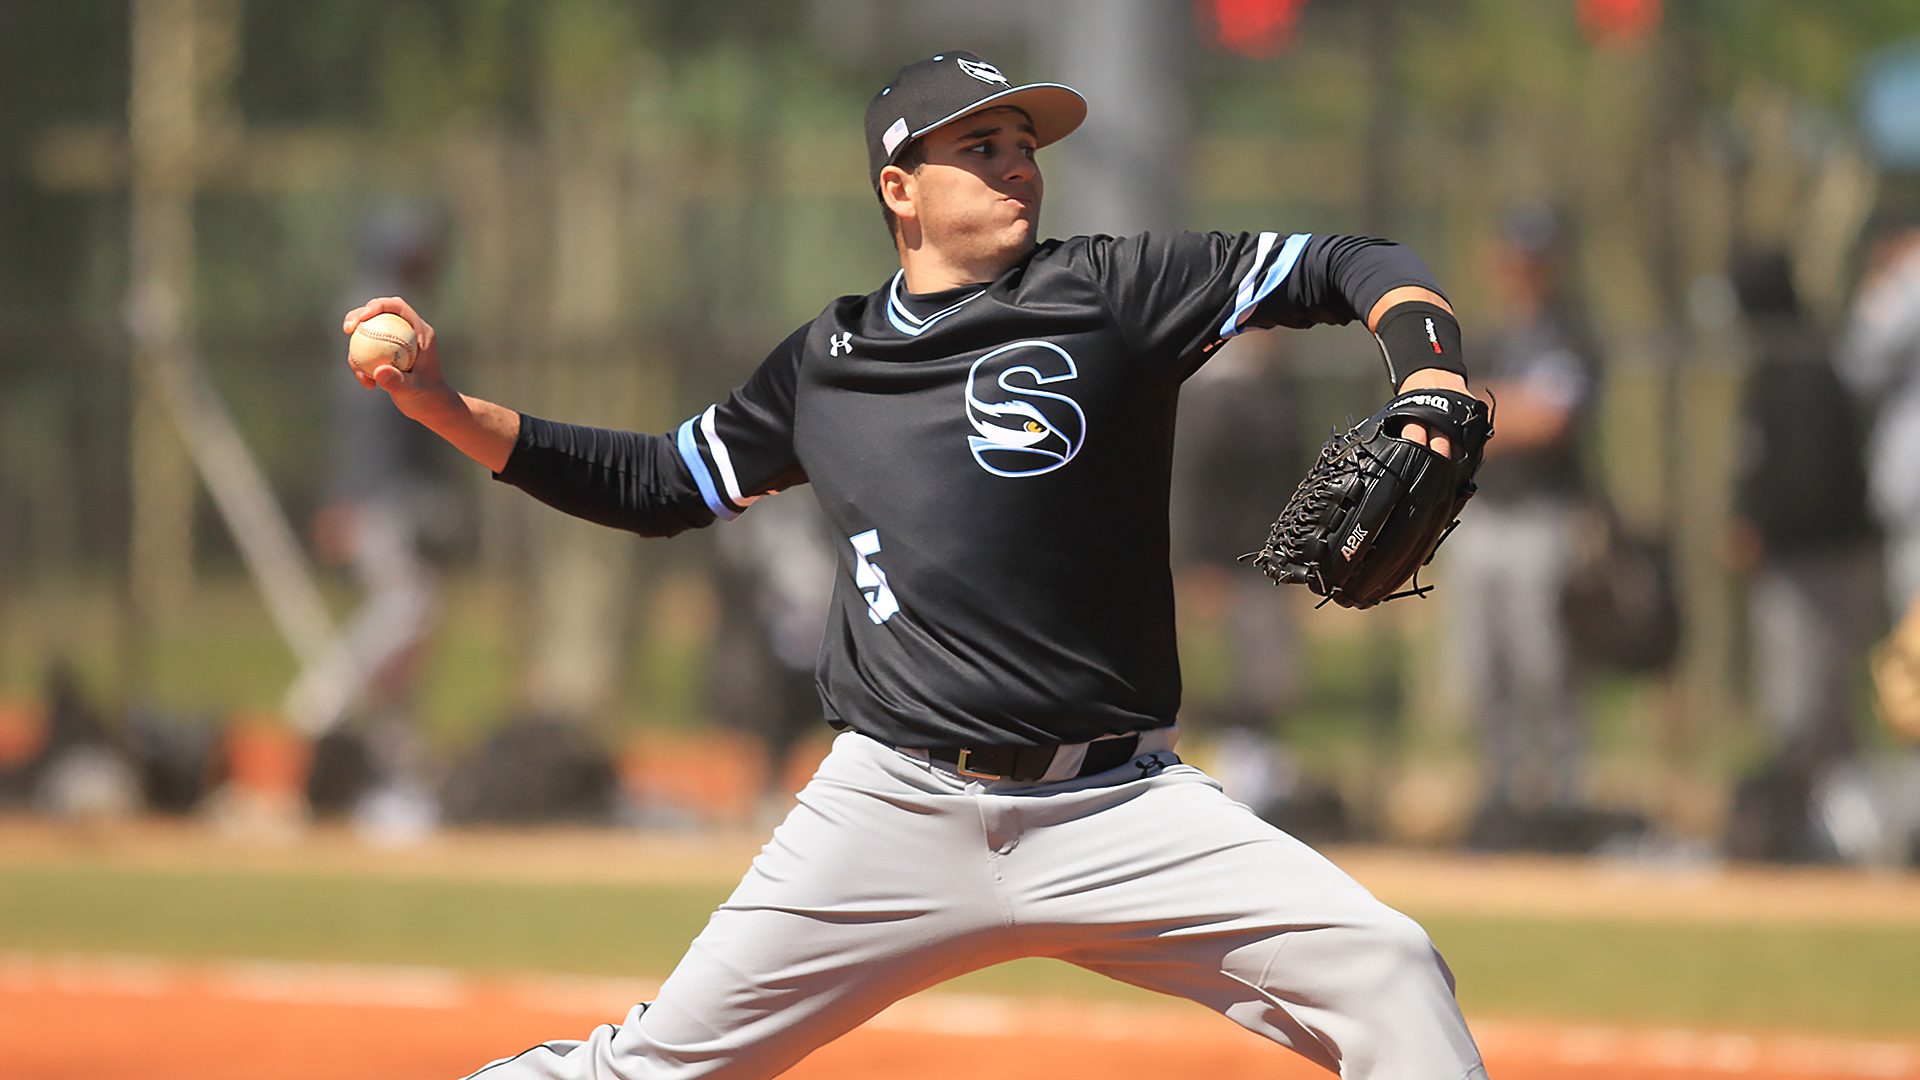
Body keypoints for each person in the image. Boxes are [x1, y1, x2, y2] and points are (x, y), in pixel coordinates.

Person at [347, 52, 1485, 1080]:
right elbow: (656, 483)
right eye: (980, 147)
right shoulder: (824, 365)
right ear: (899, 188)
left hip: (1120, 806)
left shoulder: (1110, 291)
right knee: (652, 1069)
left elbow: (1352, 261)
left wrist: (1429, 372)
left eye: (1025, 145)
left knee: (1388, 967)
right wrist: (444, 407)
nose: (1018, 165)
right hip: (894, 805)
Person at [286, 200, 455, 840]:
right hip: (381, 502)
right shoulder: (376, 321)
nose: (424, 262)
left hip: (404, 501)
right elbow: (366, 427)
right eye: (412, 252)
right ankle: (321, 702)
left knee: (412, 641)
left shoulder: (408, 317)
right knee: (405, 613)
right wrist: (351, 496)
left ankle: (395, 772)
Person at [1443, 202, 1597, 852]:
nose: (1519, 268)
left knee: (1546, 665)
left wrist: (1489, 409)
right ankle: (1501, 798)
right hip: (1479, 518)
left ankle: (1563, 798)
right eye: (1511, 255)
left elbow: (1551, 422)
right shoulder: (1480, 337)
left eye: (1530, 257)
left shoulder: (1569, 333)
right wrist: (1511, 406)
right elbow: (1448, 418)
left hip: (1542, 519)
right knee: (1486, 668)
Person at [1723, 250, 1881, 862]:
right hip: (1801, 563)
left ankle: (1828, 835)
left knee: (1809, 709)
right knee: (1807, 707)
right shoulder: (1776, 364)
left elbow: (1814, 480)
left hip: (1818, 563)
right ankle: (1826, 830)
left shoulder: (1804, 366)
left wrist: (1763, 526)